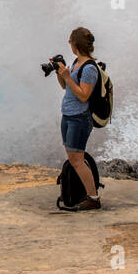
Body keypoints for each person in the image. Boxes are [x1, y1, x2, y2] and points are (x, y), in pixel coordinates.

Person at [54, 26, 101, 210]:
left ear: (76, 44)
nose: (70, 45)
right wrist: (61, 73)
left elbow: (83, 95)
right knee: (74, 158)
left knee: (77, 160)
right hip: (68, 116)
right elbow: (65, 87)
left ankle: (93, 198)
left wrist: (68, 76)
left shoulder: (90, 68)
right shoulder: (75, 63)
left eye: (71, 42)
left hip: (79, 118)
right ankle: (83, 194)